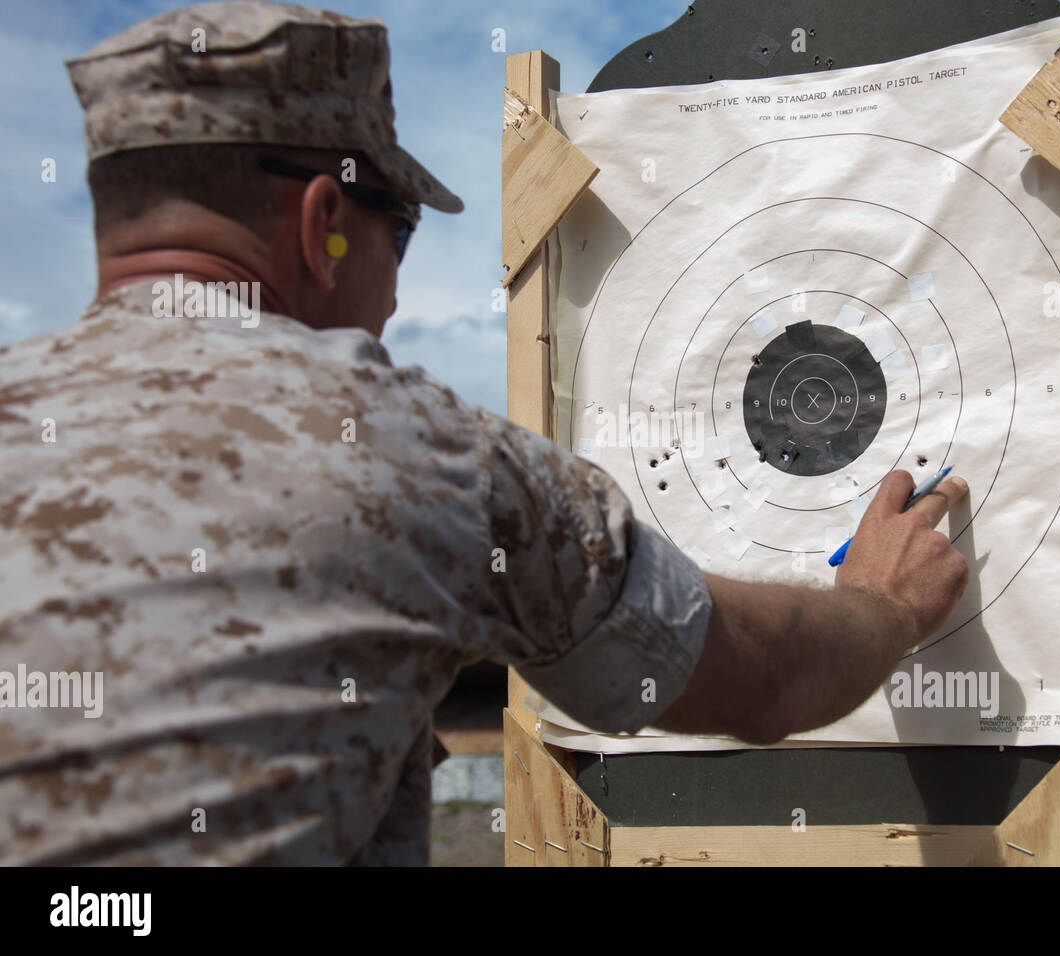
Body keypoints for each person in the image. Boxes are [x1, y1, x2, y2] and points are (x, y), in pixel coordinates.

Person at [0, 1, 969, 865]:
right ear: (323, 219)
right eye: (402, 229)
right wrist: (883, 601)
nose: (394, 287)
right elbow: (765, 679)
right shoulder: (424, 458)